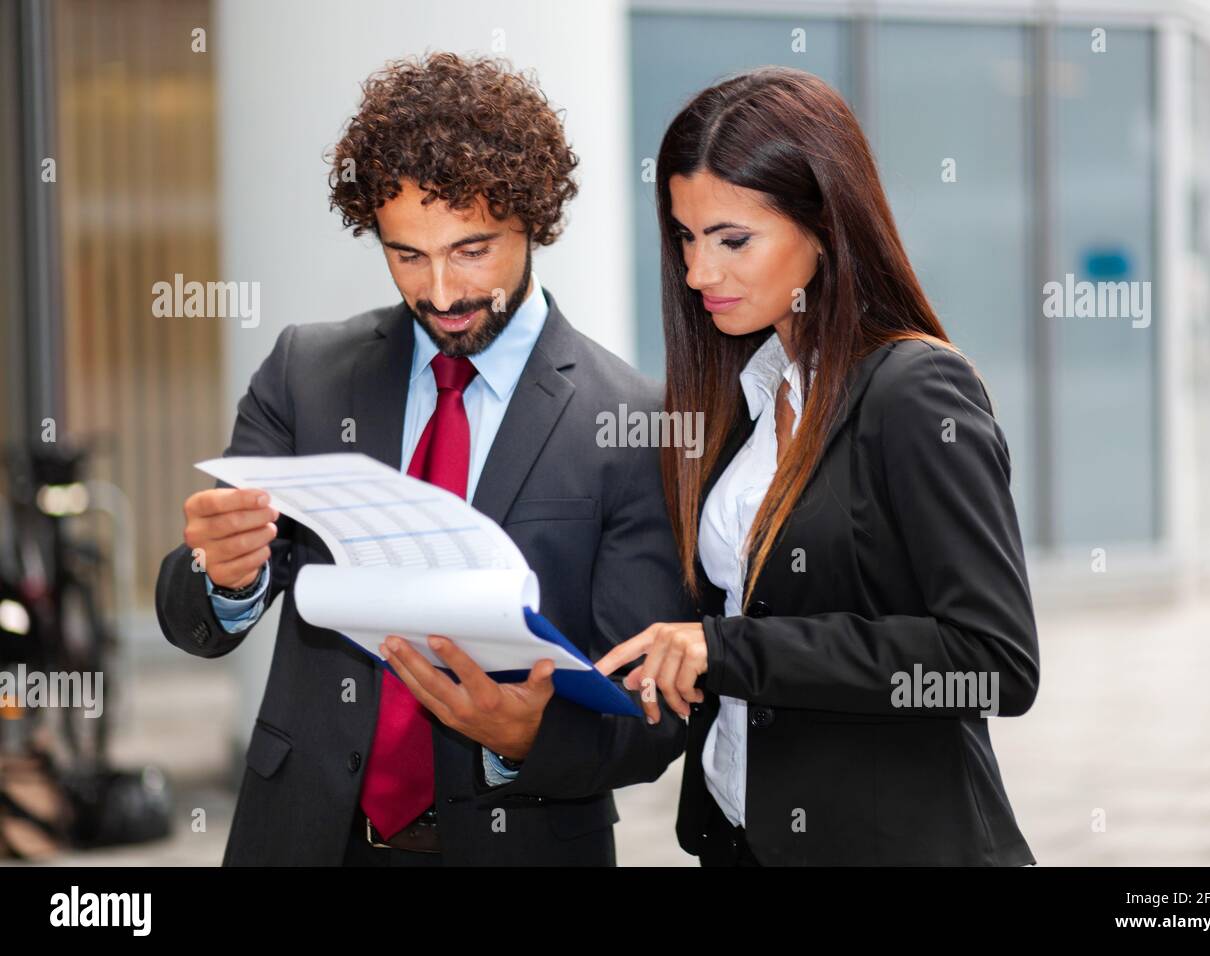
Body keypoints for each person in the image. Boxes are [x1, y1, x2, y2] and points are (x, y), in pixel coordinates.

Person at [155, 52, 688, 866]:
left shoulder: (633, 420)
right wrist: (224, 578)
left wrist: (529, 737)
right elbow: (192, 620)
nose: (440, 292)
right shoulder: (305, 373)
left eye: (472, 250)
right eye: (407, 255)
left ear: (535, 218)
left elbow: (651, 713)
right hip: (303, 838)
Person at [598, 66, 1040, 866]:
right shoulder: (747, 395)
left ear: (827, 227)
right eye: (685, 238)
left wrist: (729, 651)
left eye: (733, 239)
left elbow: (994, 665)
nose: (699, 273)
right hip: (738, 839)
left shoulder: (914, 392)